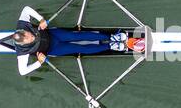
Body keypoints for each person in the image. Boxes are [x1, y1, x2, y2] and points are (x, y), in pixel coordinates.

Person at [12, 6, 143, 75]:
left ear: (24, 31)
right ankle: (111, 47)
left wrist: (40, 19)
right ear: (24, 44)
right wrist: (38, 63)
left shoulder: (22, 24)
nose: (32, 37)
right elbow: (22, 71)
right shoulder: (21, 53)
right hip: (53, 49)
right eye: (29, 39)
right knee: (80, 49)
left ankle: (111, 38)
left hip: (53, 34)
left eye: (29, 34)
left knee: (79, 36)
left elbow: (26, 9)